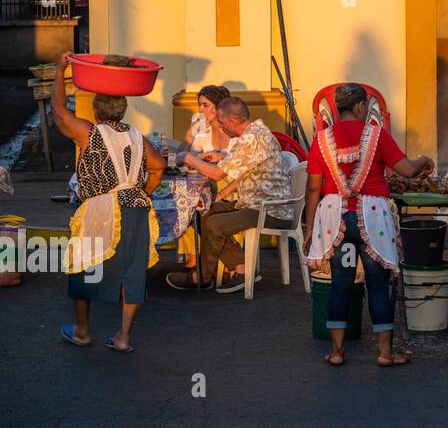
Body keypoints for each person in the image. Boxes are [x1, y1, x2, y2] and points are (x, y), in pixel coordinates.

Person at [303, 83, 432, 367]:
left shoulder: (321, 139)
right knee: (377, 285)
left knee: (340, 283)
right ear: (361, 107)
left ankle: (336, 352)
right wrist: (425, 159)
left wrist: (309, 227)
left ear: (338, 108)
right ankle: (385, 354)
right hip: (373, 216)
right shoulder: (378, 135)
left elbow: (313, 188)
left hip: (334, 216)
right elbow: (408, 171)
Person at [53, 52, 165, 352]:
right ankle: (124, 337)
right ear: (123, 110)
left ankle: (83, 331)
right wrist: (144, 192)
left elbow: (59, 111)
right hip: (136, 207)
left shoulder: (89, 132)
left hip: (101, 208)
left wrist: (59, 70)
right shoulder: (138, 136)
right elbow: (158, 166)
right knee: (133, 271)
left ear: (97, 111)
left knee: (84, 264)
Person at [165, 97, 294, 293]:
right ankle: (242, 267)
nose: (221, 127)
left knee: (214, 224)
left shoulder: (252, 138)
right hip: (253, 202)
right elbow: (248, 163)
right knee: (199, 211)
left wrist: (188, 157)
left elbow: (217, 174)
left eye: (222, 123)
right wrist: (224, 157)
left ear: (233, 120)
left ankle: (202, 277)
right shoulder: (255, 132)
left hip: (270, 210)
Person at [174, 84, 231, 270]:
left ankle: (225, 262)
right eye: (199, 105)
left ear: (219, 106)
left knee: (196, 202)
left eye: (205, 105)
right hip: (207, 183)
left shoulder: (233, 128)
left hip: (230, 186)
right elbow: (181, 157)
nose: (200, 109)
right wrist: (190, 133)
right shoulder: (202, 127)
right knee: (186, 202)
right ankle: (193, 257)